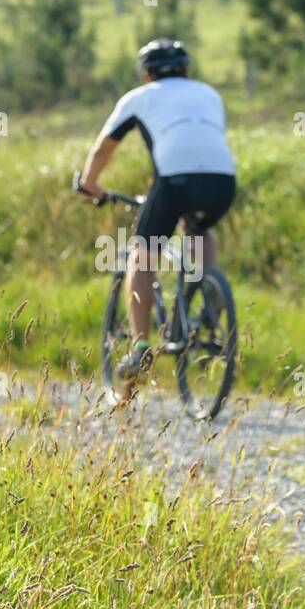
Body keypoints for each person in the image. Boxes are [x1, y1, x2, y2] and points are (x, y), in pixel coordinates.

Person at [76, 38, 236, 381]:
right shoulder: (208, 93)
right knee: (198, 229)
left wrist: (90, 185)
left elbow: (104, 149)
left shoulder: (138, 97)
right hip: (223, 179)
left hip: (174, 180)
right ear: (186, 69)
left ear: (146, 74)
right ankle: (207, 292)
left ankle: (139, 346)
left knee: (143, 253)